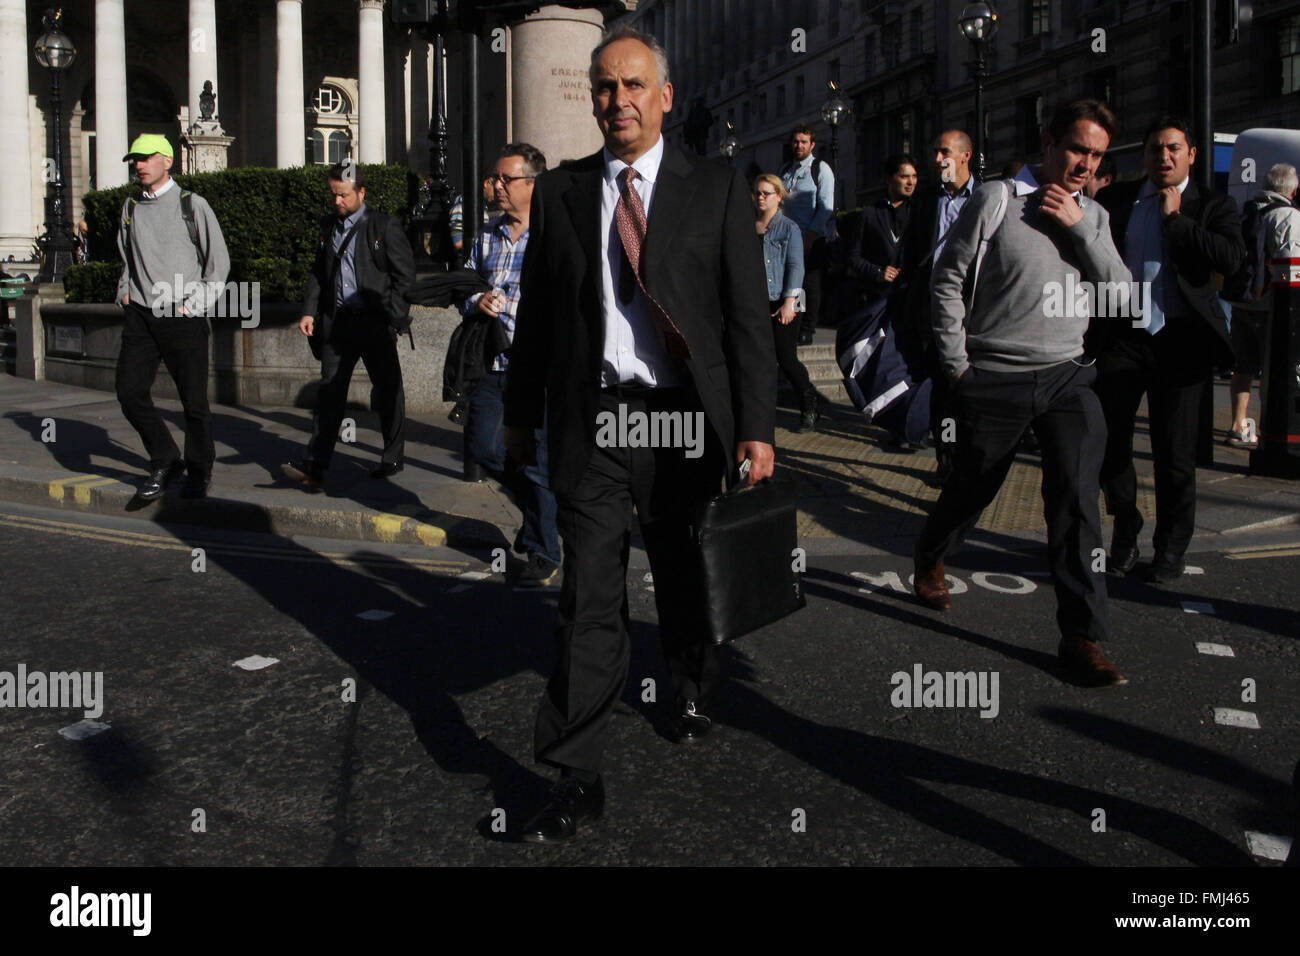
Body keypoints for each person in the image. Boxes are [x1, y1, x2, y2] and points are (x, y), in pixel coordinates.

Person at [502, 24, 776, 842]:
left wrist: (756, 427)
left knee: (683, 573)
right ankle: (575, 770)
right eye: (602, 87)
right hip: (594, 422)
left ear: (662, 95)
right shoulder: (561, 194)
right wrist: (520, 414)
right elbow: (543, 319)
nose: (615, 102)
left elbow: (744, 322)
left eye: (631, 86)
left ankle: (689, 679)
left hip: (683, 418)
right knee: (589, 597)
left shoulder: (719, 187)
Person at [913, 99, 1130, 687]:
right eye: (1078, 149)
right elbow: (948, 279)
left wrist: (1081, 227)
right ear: (1049, 142)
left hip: (1068, 377)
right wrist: (957, 364)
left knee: (1077, 502)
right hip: (994, 376)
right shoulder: (997, 199)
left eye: (1097, 155)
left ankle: (1082, 636)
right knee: (973, 487)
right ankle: (931, 554)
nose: (1086, 164)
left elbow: (1121, 296)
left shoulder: (1096, 217)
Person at [1094, 118, 1245, 583]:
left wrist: (1175, 220)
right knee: (1110, 443)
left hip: (1182, 341)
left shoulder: (1213, 206)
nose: (1164, 156)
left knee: (1174, 454)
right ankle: (1125, 526)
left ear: (1191, 155)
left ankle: (1171, 547)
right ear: (1144, 155)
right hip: (1124, 336)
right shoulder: (1117, 202)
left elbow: (1230, 260)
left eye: (1173, 148)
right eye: (1156, 148)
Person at [460, 143, 562, 587]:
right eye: (495, 178)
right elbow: (463, 282)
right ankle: (540, 517)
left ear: (532, 184)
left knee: (537, 462)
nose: (496, 186)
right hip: (492, 360)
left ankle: (543, 551)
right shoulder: (486, 235)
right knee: (483, 449)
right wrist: (474, 299)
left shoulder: (555, 233)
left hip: (538, 367)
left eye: (507, 179)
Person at [283, 162, 416, 489]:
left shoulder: (383, 226)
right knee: (330, 393)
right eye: (334, 195)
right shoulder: (328, 225)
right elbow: (319, 272)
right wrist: (309, 311)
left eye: (343, 196)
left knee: (387, 391)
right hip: (338, 326)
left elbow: (405, 277)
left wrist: (393, 315)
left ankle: (392, 455)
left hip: (374, 324)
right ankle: (316, 465)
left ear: (361, 192)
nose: (337, 202)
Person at [114, 133, 230, 501]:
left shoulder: (191, 205)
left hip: (181, 315)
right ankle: (164, 457)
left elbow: (218, 264)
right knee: (129, 392)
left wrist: (192, 305)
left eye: (146, 157)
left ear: (167, 160)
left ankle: (199, 470)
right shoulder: (130, 207)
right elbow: (126, 259)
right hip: (142, 316)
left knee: (193, 402)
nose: (139, 164)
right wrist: (124, 291)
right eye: (135, 159)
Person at [900, 130, 977, 478]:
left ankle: (972, 456)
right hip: (932, 310)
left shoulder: (988, 197)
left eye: (944, 152)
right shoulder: (927, 199)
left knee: (969, 391)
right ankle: (946, 458)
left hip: (974, 309)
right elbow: (913, 252)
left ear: (965, 156)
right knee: (942, 391)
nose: (937, 159)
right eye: (935, 151)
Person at [1223, 162, 1300, 447]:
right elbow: (1290, 265)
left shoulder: (1248, 210)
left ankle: (1237, 425)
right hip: (1274, 307)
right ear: (1293, 189)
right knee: (1277, 367)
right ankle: (1273, 426)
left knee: (1243, 366)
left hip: (1242, 302)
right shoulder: (1288, 216)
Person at [753, 173, 817, 432]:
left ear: (779, 197)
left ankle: (809, 402)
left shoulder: (788, 228)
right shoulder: (747, 226)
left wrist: (789, 302)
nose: (760, 197)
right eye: (756, 192)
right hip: (758, 300)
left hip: (788, 297)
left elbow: (796, 266)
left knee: (786, 356)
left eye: (766, 193)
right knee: (759, 358)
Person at [781, 123, 835, 345]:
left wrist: (810, 236)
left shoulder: (820, 169)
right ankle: (794, 321)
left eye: (804, 142)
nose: (799, 145)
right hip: (788, 238)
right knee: (793, 282)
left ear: (812, 144)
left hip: (810, 236)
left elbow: (826, 206)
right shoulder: (786, 170)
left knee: (809, 283)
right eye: (796, 141)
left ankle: (807, 327)